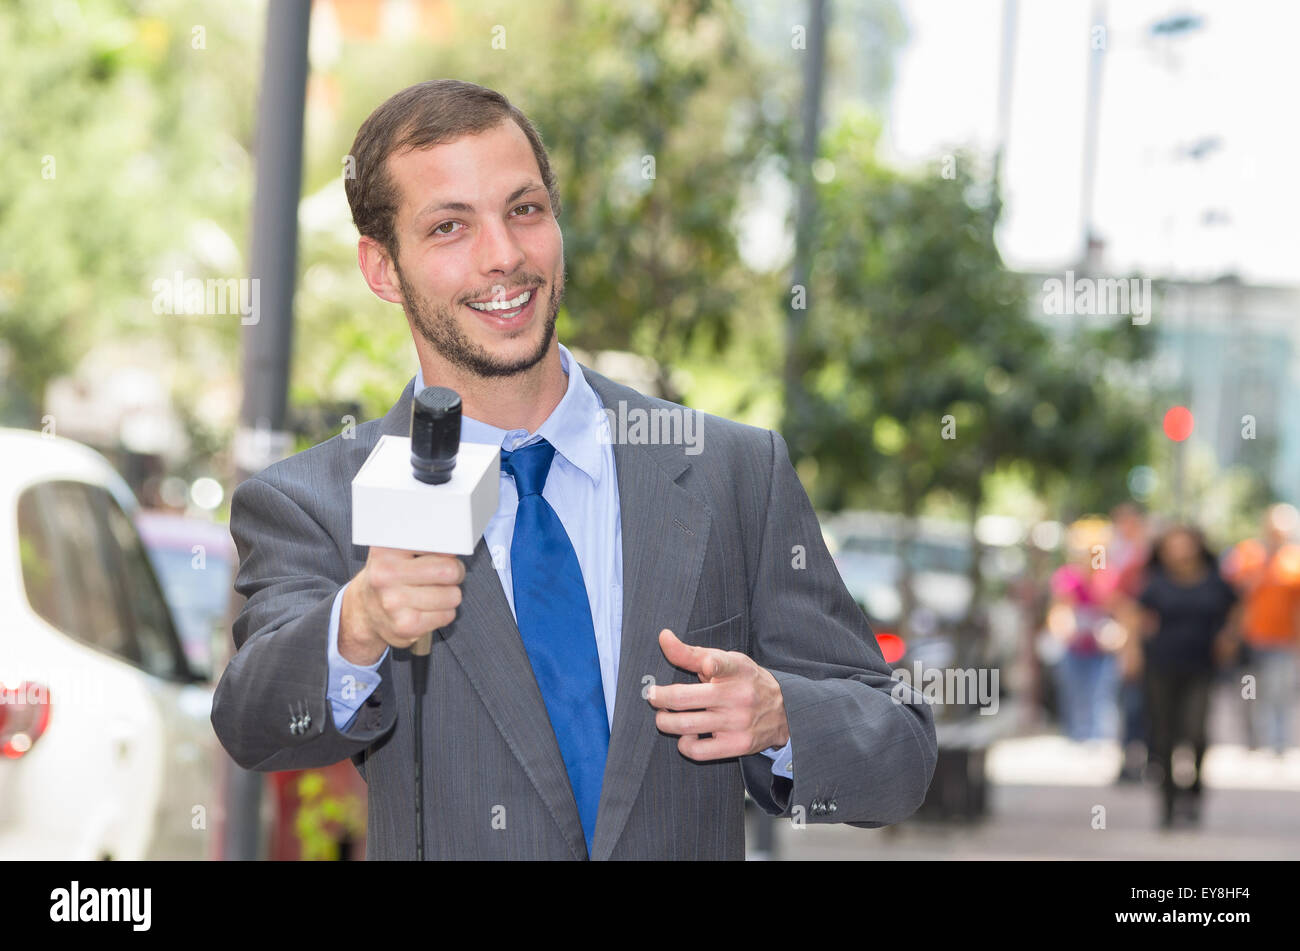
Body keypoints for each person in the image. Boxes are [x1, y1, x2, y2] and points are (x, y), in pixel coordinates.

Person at [210, 80, 937, 860]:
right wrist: (356, 626)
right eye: (450, 226)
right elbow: (251, 720)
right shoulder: (315, 501)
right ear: (382, 268)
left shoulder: (730, 471)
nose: (504, 255)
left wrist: (781, 714)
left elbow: (897, 752)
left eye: (524, 210)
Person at [1127, 525, 1240, 829]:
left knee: (1196, 733)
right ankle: (1167, 803)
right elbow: (1136, 615)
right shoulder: (1156, 583)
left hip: (1201, 667)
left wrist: (1229, 637)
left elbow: (1236, 611)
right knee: (1163, 737)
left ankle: (1194, 791)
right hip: (1161, 666)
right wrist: (1133, 651)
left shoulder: (1215, 582)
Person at [1221, 503, 1300, 755]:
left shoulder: (1294, 560)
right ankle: (1252, 739)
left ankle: (1277, 742)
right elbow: (1231, 591)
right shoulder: (1248, 553)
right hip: (1249, 640)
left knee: (1278, 691)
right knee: (1249, 692)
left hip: (1282, 640)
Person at [1045, 519, 1123, 743]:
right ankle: (1078, 736)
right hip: (1074, 647)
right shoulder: (1068, 576)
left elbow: (1113, 605)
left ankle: (1098, 738)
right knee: (1075, 694)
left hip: (1101, 650)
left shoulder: (1106, 575)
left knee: (1102, 695)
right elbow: (1060, 609)